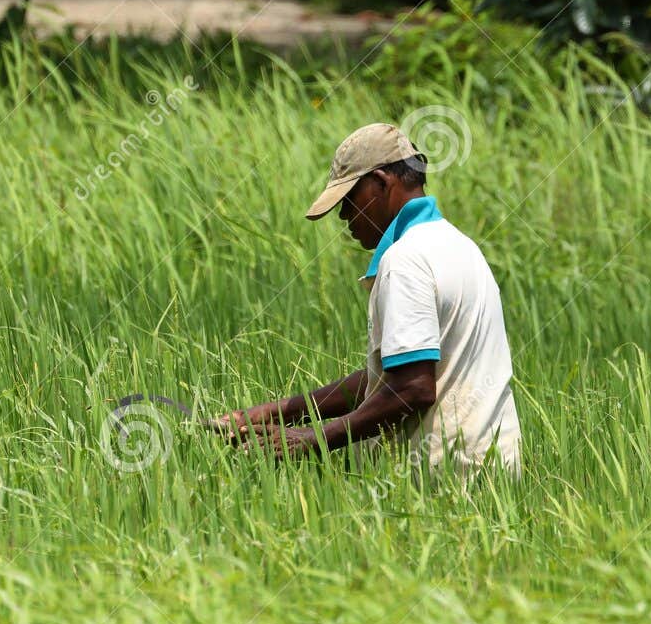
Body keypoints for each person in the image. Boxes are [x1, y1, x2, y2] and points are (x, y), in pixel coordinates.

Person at [212, 122, 520, 471]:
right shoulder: (461, 247)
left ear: (380, 182)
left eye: (348, 200)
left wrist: (315, 439)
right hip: (495, 464)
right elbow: (395, 376)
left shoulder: (404, 260)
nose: (344, 216)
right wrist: (277, 412)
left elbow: (413, 388)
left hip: (444, 476)